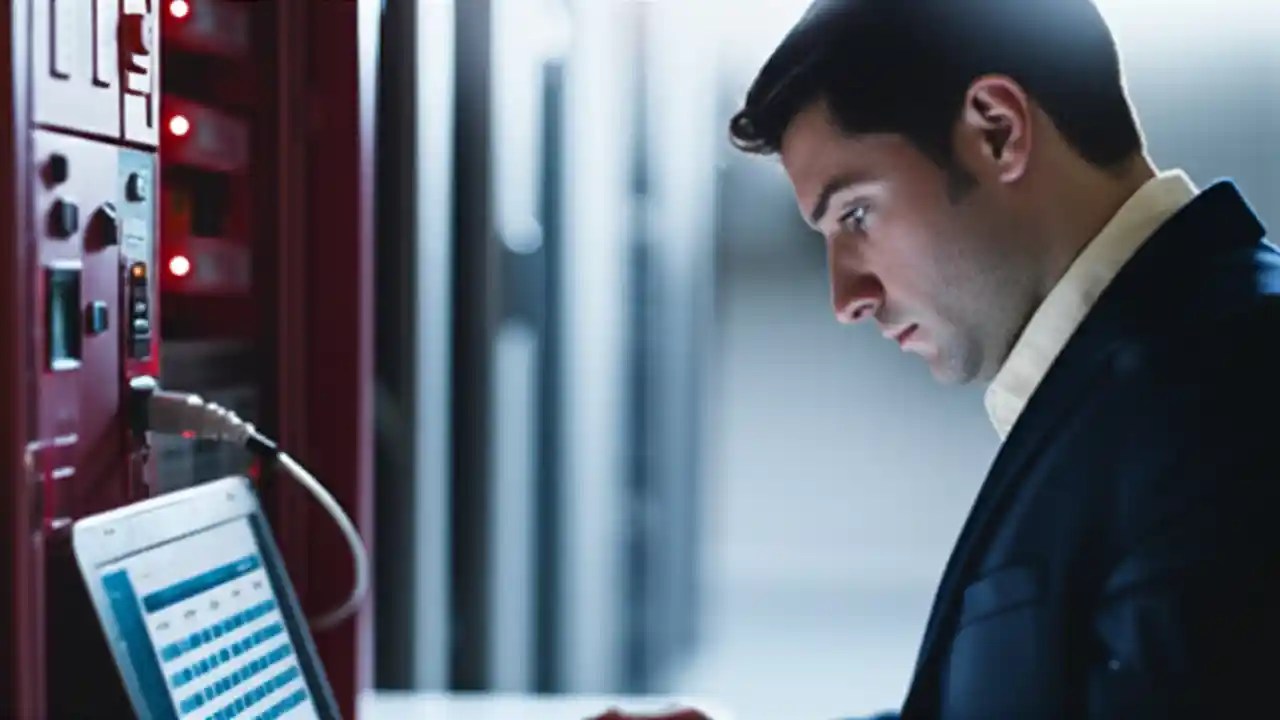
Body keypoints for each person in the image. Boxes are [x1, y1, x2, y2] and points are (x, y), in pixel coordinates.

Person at [592, 0, 1280, 718]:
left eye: (855, 214)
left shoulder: (1235, 382)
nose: (846, 297)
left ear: (997, 131)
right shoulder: (1148, 377)